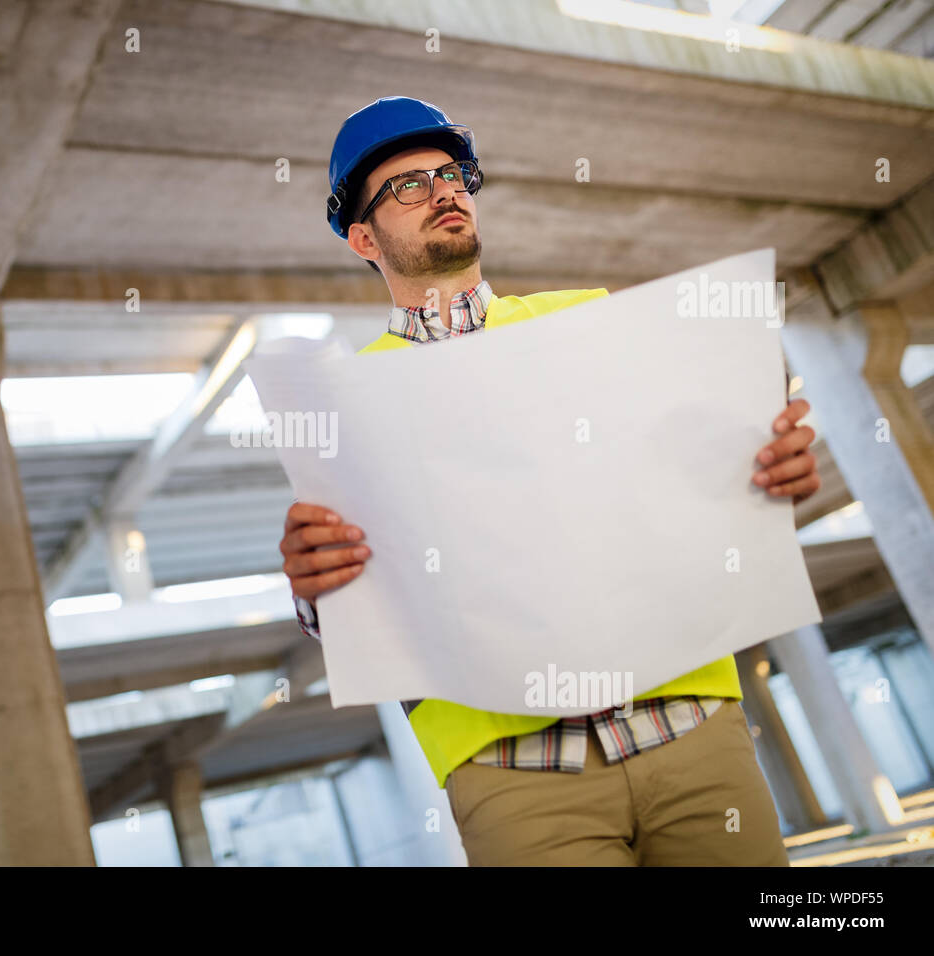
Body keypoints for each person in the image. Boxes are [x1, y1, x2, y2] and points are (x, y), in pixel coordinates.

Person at [279, 96, 822, 866]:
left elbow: (697, 493)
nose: (443, 191)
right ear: (363, 236)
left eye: (451, 174)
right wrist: (311, 587)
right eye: (408, 185)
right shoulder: (345, 408)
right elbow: (360, 607)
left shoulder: (591, 324)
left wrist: (768, 478)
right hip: (514, 780)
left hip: (689, 729)